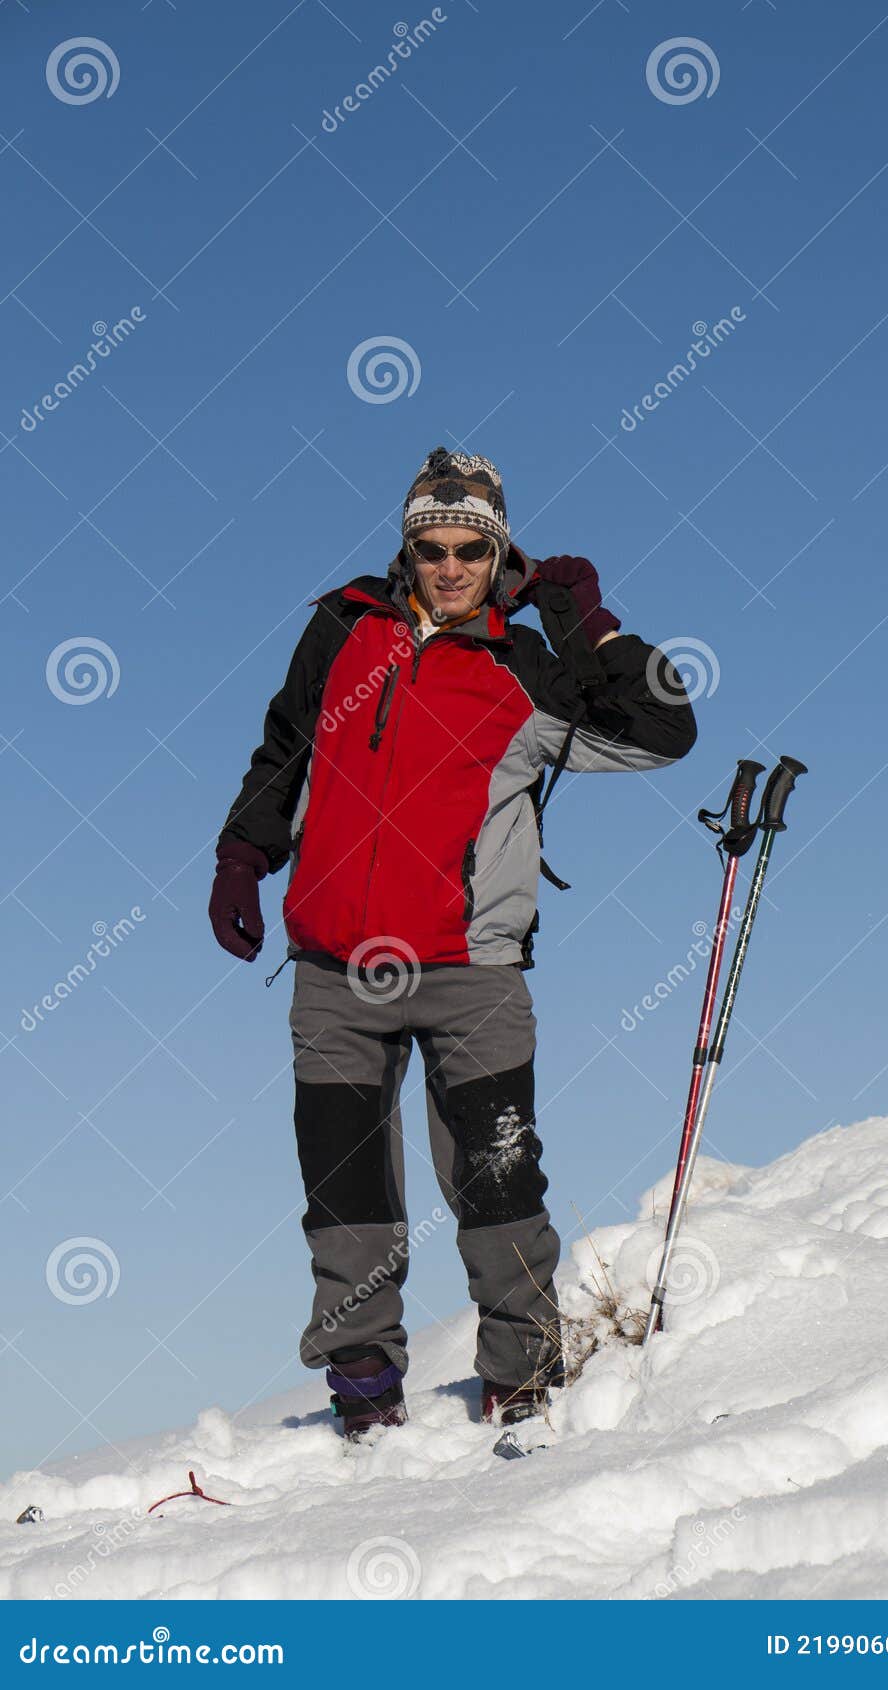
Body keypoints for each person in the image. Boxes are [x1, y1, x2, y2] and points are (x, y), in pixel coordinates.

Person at [209, 445, 697, 1440]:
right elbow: (285, 746)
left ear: (497, 552)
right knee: (343, 1192)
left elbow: (661, 728)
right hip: (334, 967)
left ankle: (523, 1386)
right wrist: (241, 855)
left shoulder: (528, 666)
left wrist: (589, 624)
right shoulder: (344, 627)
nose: (448, 567)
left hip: (470, 969)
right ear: (407, 548)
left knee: (497, 1181)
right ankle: (362, 1398)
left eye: (469, 549)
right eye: (430, 547)